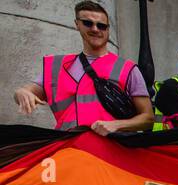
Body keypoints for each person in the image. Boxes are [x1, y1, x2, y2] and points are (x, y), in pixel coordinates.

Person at [14, 1, 153, 135]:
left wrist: (116, 125)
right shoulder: (57, 66)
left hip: (112, 149)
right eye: (88, 23)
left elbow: (148, 118)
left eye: (101, 25)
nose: (95, 29)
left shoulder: (128, 68)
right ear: (77, 24)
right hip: (69, 147)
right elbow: (28, 91)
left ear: (108, 29)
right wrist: (20, 92)